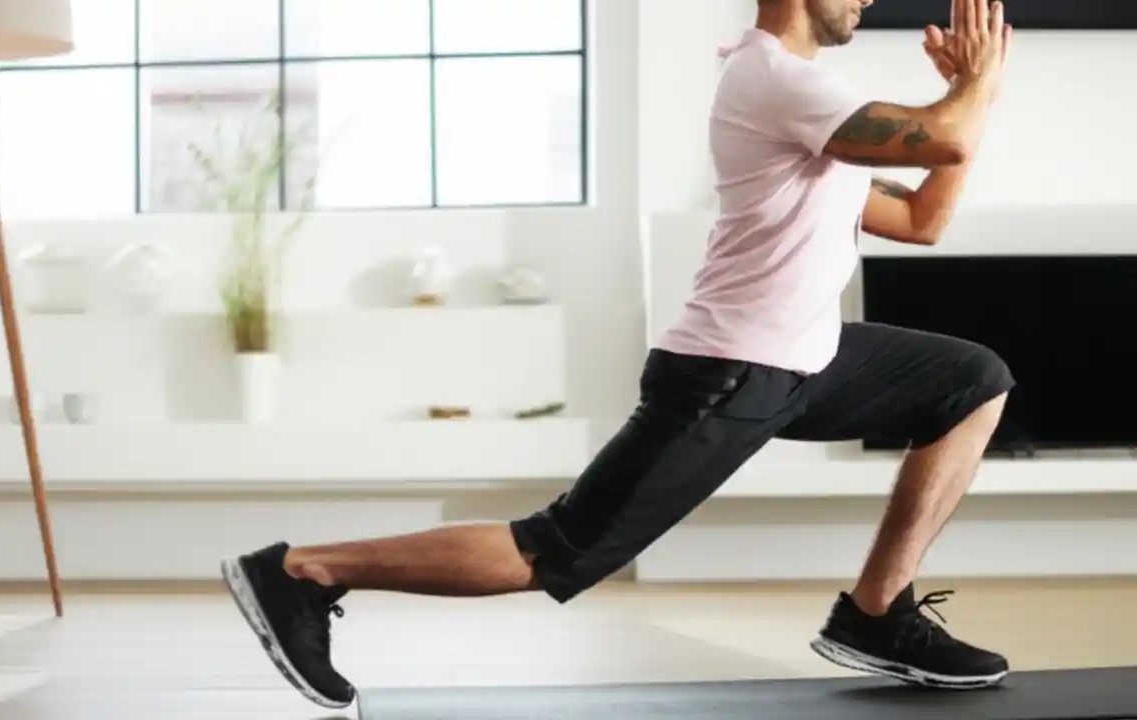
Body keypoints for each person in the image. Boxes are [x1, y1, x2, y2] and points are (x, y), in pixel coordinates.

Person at [220, 0, 1016, 708]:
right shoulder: (779, 81)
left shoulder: (811, 104)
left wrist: (976, 100)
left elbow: (921, 221)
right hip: (729, 371)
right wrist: (972, 86)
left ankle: (877, 612)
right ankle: (302, 571)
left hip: (803, 358)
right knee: (555, 550)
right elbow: (942, 137)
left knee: (969, 380)